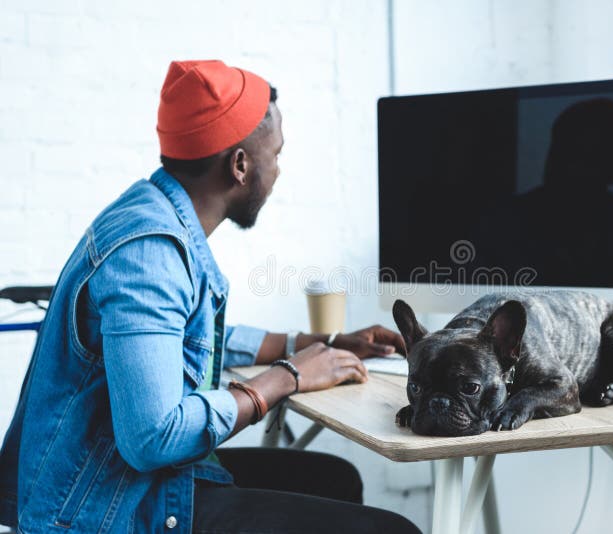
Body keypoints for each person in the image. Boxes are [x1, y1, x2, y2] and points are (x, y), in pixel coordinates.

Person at [0, 60, 421, 533]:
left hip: (124, 484)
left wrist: (316, 342)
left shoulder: (149, 214)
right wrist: (285, 378)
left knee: (336, 478)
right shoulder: (150, 253)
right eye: (275, 155)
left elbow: (168, 342)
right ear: (240, 165)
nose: (278, 170)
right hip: (105, 509)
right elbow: (153, 437)